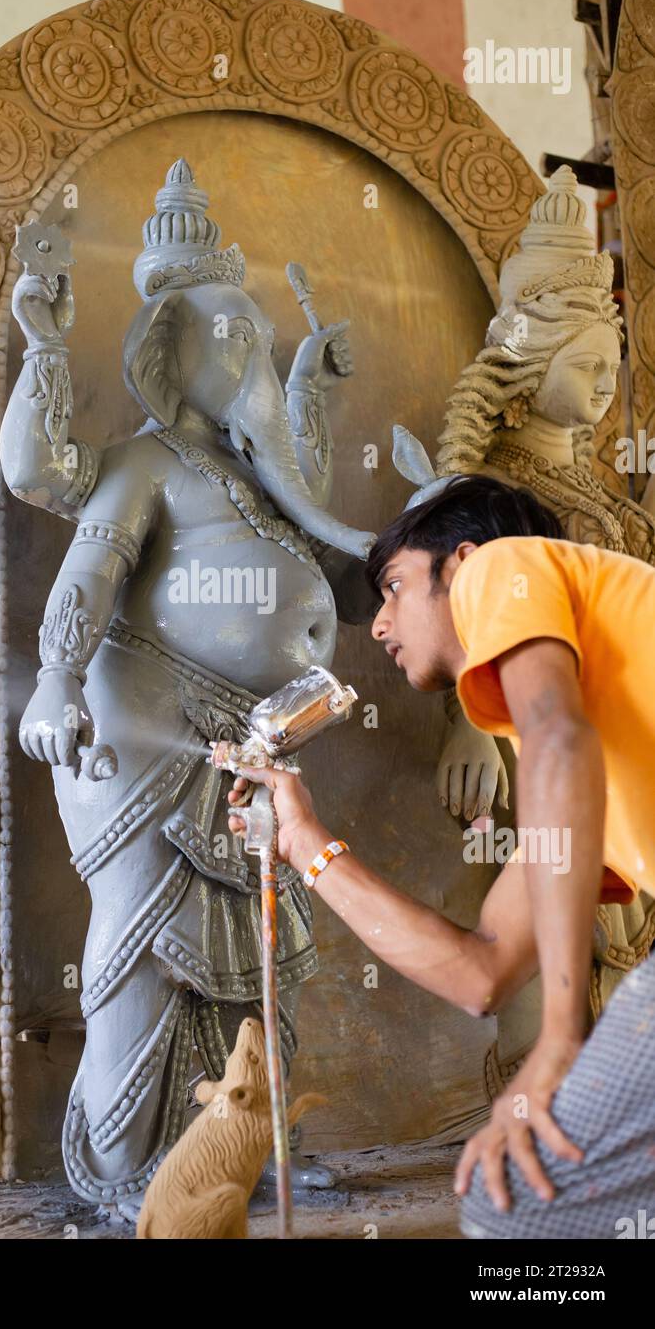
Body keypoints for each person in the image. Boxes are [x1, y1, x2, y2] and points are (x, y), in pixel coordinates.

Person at [215, 474, 655, 1239]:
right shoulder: (590, 753)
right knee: (516, 1203)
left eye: (392, 586)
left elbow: (558, 742)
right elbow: (481, 973)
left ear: (459, 562)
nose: (380, 624)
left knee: (516, 1205)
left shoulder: (501, 567)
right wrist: (306, 843)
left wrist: (557, 1044)